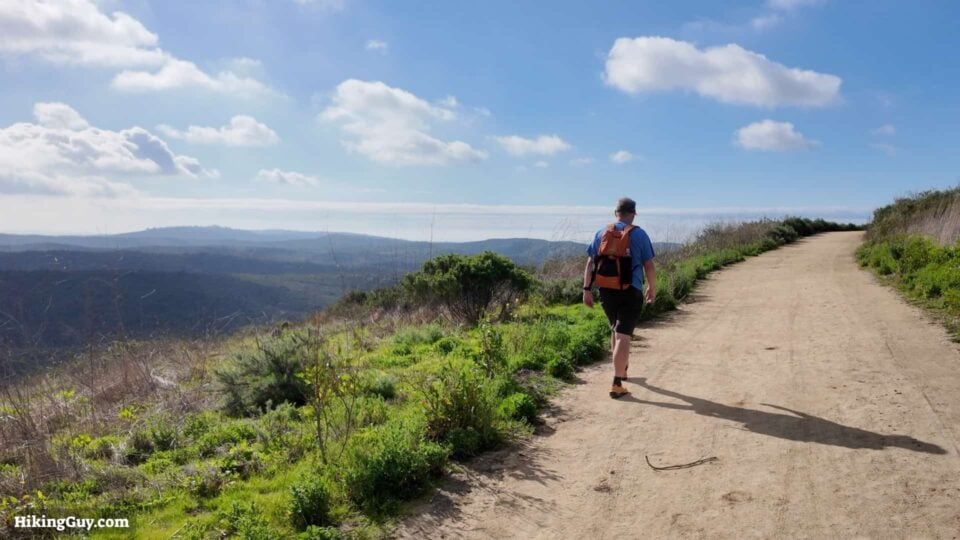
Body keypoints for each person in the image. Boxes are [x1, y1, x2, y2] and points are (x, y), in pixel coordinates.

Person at [583, 197, 656, 398]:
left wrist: (586, 289)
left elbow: (590, 263)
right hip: (630, 289)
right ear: (633, 213)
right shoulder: (639, 234)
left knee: (616, 328)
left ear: (616, 213)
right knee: (624, 334)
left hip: (606, 289)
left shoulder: (601, 233)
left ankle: (622, 371)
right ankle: (616, 382)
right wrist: (651, 287)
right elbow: (648, 265)